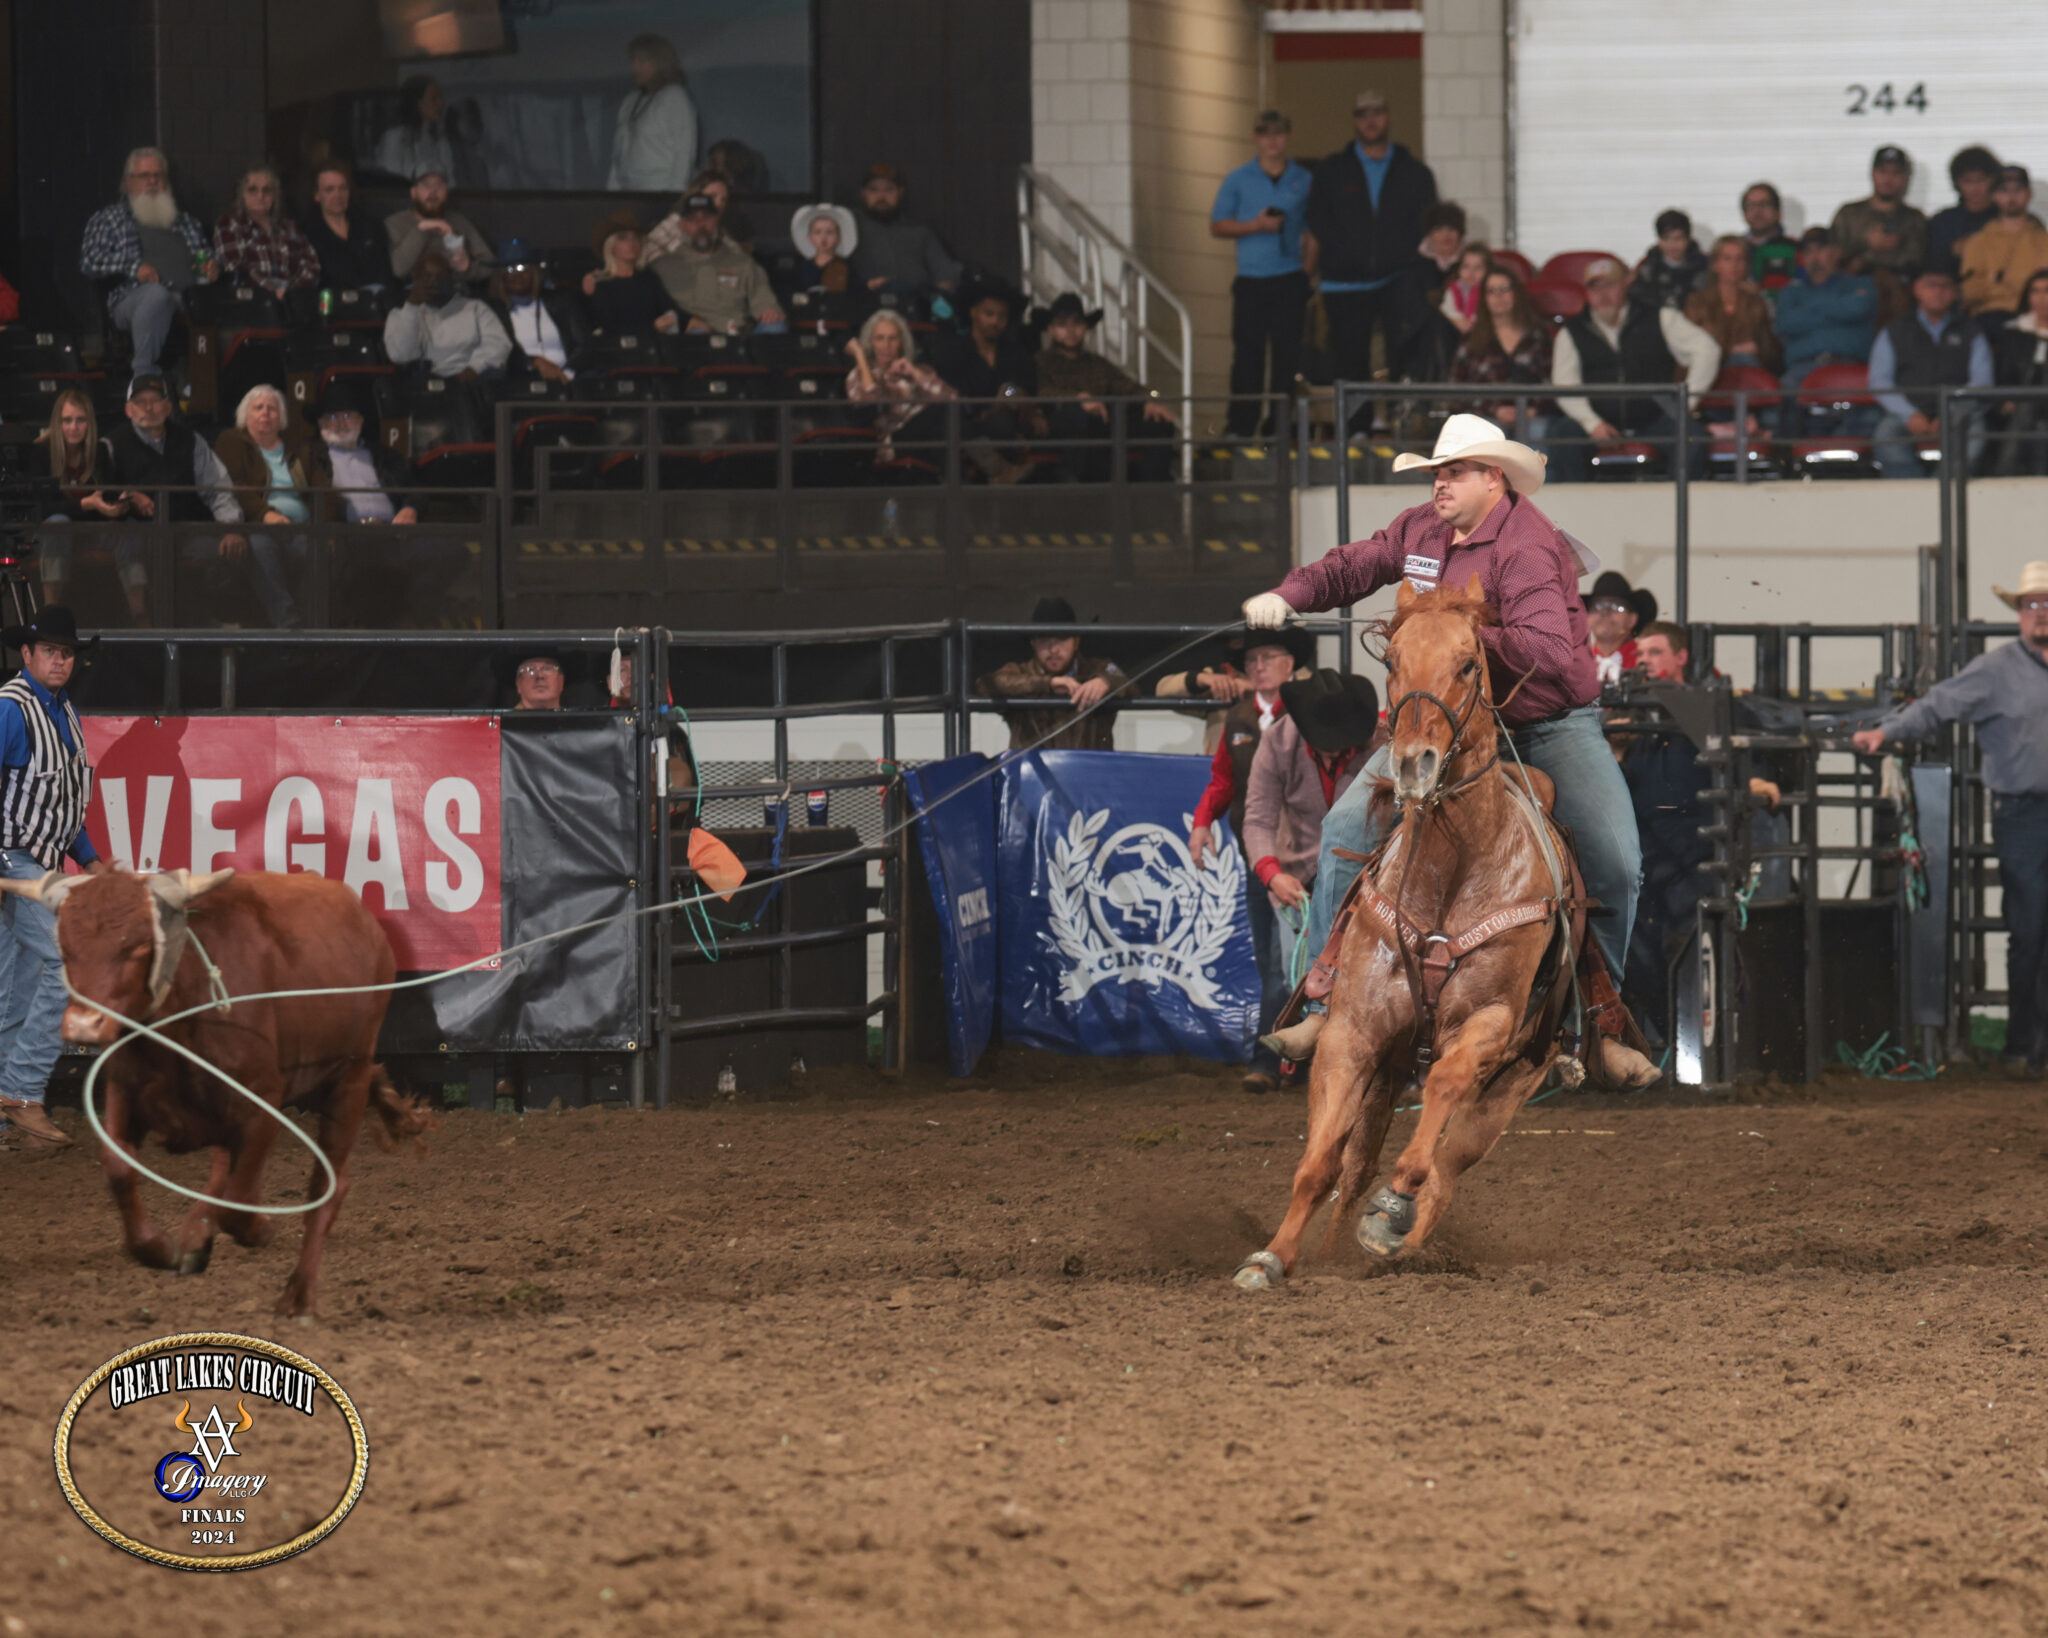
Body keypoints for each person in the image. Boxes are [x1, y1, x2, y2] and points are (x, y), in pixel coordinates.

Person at [1241, 413, 1647, 1083]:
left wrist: (1459, 634)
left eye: (1454, 472)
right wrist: (1290, 596)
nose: (1439, 484)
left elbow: (1547, 650)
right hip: (1445, 723)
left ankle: (1596, 1025)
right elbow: (1358, 565)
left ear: (1494, 477)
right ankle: (1326, 1001)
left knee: (1614, 859)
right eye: (1435, 472)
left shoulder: (1528, 545)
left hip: (1547, 722)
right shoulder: (1420, 530)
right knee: (1345, 826)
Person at [1853, 562, 2048, 1074]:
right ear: (2019, 614)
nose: (2040, 613)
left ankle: (2029, 1046)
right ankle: (2024, 1044)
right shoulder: (1997, 669)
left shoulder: (2005, 668)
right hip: (2024, 813)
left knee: (2032, 929)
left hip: (2026, 812)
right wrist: (1890, 731)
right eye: (2032, 604)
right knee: (2029, 929)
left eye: (2047, 604)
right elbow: (1940, 704)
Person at [1617, 620, 1780, 1048]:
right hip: (1648, 851)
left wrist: (1753, 782)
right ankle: (1674, 1040)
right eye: (1642, 655)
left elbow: (1747, 756)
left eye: (1656, 653)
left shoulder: (1706, 707)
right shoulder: (1633, 713)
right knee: (1639, 948)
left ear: (1680, 657)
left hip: (1699, 847)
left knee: (1699, 940)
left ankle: (1718, 1043)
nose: (1648, 663)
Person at [1228, 653, 1370, 1094]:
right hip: (1292, 873)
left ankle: (1341, 1062)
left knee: (1362, 972)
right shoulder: (1276, 743)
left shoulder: (1377, 743)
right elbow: (1257, 820)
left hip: (1358, 873)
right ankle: (1268, 1061)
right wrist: (1271, 874)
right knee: (1282, 972)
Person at [0, 607, 109, 1147]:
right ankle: (20, 1093)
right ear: (28, 655)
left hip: (39, 863)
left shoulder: (65, 713)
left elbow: (62, 806)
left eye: (67, 653)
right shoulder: (10, 710)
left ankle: (5, 1115)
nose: (60, 660)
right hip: (12, 863)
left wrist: (89, 860)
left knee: (14, 991)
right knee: (65, 964)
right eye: (50, 651)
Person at [1304, 87, 1439, 421]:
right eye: (1363, 115)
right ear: (1354, 121)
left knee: (1403, 355)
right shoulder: (1331, 172)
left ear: (1388, 116)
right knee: (1349, 362)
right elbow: (1317, 225)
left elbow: (1429, 227)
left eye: (1377, 113)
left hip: (1398, 280)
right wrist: (1310, 274)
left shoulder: (1415, 172)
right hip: (1343, 284)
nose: (1371, 121)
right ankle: (1356, 430)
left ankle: (1400, 425)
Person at [1549, 257, 1720, 481]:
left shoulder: (1660, 317)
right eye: (1595, 287)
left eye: (1610, 285)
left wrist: (1687, 401)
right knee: (1562, 436)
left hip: (1655, 415)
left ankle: (1676, 508)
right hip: (1599, 416)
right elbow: (1564, 384)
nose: (1603, 294)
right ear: (1587, 293)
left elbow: (1707, 350)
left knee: (1692, 437)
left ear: (1625, 285)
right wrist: (1592, 423)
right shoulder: (1571, 332)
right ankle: (1574, 513)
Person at [103, 371, 248, 624]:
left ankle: (227, 628)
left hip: (186, 532)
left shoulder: (191, 441)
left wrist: (231, 528)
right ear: (128, 410)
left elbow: (217, 488)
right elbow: (103, 494)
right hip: (137, 536)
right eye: (140, 402)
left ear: (168, 407)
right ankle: (145, 623)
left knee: (241, 549)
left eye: (156, 400)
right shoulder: (111, 444)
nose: (148, 408)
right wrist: (128, 497)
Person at [1211, 110, 1313, 437]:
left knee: (1287, 358)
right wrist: (1255, 225)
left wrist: (1307, 271)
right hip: (1252, 280)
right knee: (1247, 357)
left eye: (1278, 133)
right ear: (1255, 137)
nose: (1272, 140)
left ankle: (1279, 428)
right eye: (1265, 133)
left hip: (1290, 278)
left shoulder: (1303, 179)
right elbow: (1218, 224)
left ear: (1288, 136)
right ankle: (1241, 426)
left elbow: (1315, 230)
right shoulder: (1238, 179)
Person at [79, 146, 218, 376]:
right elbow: (89, 262)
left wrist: (212, 268)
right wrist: (133, 267)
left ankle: (213, 389)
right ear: (128, 182)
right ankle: (144, 379)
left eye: (158, 175)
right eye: (145, 176)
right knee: (157, 295)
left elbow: (206, 258)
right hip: (134, 298)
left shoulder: (186, 222)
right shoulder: (109, 218)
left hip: (189, 298)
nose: (152, 181)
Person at [1033, 291, 1178, 480]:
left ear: (1085, 327)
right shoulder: (1041, 361)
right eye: (1061, 324)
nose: (1070, 330)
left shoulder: (1097, 363)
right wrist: (1078, 399)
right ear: (1050, 329)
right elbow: (1038, 391)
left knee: (1158, 422)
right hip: (1066, 423)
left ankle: (1153, 491)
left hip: (1103, 423)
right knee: (1084, 420)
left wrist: (1149, 399)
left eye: (1076, 323)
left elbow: (1128, 386)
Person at [1868, 262, 1990, 478]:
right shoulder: (1895, 330)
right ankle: (1916, 498)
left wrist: (1950, 413)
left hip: (1959, 413)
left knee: (1974, 441)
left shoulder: (1972, 331)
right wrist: (1909, 414)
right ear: (1917, 290)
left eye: (1945, 286)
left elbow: (1981, 382)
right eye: (1931, 285)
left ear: (1955, 292)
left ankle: (1939, 493)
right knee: (1886, 437)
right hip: (1907, 411)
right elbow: (1880, 381)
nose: (1938, 292)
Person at [212, 385, 319, 629]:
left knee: (315, 548)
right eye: (258, 407)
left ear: (281, 417)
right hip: (257, 525)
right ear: (245, 415)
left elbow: (323, 489)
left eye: (272, 408)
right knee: (260, 546)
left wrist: (326, 524)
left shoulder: (298, 447)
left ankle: (311, 623)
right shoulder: (232, 441)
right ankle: (288, 621)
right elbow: (232, 486)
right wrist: (265, 514)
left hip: (301, 527)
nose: (266, 413)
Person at [383, 248, 512, 444]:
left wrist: (474, 368)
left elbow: (499, 344)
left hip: (470, 386)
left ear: (450, 277)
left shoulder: (475, 308)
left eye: (439, 276)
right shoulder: (401, 314)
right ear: (415, 278)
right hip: (425, 393)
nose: (433, 282)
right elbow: (401, 355)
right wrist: (412, 305)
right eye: (427, 276)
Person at [973, 596, 1125, 751]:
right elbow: (986, 683)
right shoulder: (1020, 672)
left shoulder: (1096, 669)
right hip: (1033, 774)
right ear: (1033, 643)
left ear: (1076, 642)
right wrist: (1047, 683)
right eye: (1044, 640)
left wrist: (1105, 682)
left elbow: (1125, 680)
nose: (1053, 649)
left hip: (1088, 773)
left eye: (1062, 638)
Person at [934, 279, 1040, 485]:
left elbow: (1015, 385)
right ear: (974, 313)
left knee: (1003, 422)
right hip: (968, 424)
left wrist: (1008, 394)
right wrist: (992, 407)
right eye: (989, 314)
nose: (995, 321)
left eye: (1002, 316)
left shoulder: (1013, 352)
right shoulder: (955, 351)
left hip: (1006, 421)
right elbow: (954, 394)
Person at [1775, 227, 1879, 427]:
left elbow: (1857, 308)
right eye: (1808, 251)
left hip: (1849, 367)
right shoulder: (1790, 292)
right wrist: (1838, 309)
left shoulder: (1861, 284)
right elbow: (1786, 322)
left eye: (1821, 249)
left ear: (1837, 252)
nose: (1814, 258)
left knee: (1872, 414)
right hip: (1802, 368)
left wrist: (1809, 308)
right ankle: (1786, 458)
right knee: (1782, 402)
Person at [35, 389, 124, 610]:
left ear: (89, 423)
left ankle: (141, 616)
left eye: (80, 420)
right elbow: (42, 508)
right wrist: (86, 504)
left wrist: (120, 505)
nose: (74, 427)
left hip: (92, 531)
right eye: (67, 420)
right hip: (52, 536)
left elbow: (110, 495)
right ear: (57, 423)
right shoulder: (41, 451)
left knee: (129, 530)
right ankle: (50, 611)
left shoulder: (100, 451)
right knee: (58, 523)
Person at [648, 192, 783, 335]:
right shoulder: (663, 266)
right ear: (682, 225)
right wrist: (684, 320)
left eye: (706, 217)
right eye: (693, 219)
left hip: (738, 335)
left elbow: (764, 299)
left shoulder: (741, 262)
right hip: (694, 337)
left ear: (717, 220)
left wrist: (769, 311)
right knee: (697, 335)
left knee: (776, 328)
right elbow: (653, 308)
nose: (701, 225)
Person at [1449, 266, 1553, 440]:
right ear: (1484, 299)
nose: (1499, 296)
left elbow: (1552, 382)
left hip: (1531, 415)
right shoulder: (1471, 340)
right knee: (1492, 434)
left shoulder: (1538, 336)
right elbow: (1457, 390)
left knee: (1537, 431)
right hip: (1486, 416)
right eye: (1491, 291)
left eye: (1504, 289)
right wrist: (1494, 410)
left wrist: (1532, 409)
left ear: (1516, 294)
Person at [844, 308, 956, 462]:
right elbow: (870, 405)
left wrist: (915, 373)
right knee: (943, 417)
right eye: (880, 338)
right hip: (893, 443)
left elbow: (954, 400)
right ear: (871, 342)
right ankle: (993, 470)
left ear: (901, 342)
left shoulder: (918, 371)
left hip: (929, 438)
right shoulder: (859, 374)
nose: (886, 345)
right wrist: (860, 355)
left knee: (949, 419)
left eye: (893, 338)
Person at [847, 163, 961, 297]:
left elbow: (945, 273)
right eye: (873, 190)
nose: (881, 196)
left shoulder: (919, 231)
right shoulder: (848, 226)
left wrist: (936, 298)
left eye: (889, 190)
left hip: (913, 307)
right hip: (862, 306)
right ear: (863, 193)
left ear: (900, 193)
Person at [211, 164, 319, 301]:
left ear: (275, 196)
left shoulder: (289, 227)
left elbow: (311, 265)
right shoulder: (228, 224)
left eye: (267, 190)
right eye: (253, 190)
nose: (260, 196)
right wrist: (272, 290)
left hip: (291, 302)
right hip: (249, 303)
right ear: (242, 195)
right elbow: (235, 267)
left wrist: (289, 290)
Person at [607, 33, 698, 193]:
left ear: (660, 64)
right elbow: (618, 156)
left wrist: (674, 196)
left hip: (659, 191)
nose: (635, 67)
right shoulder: (630, 101)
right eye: (633, 61)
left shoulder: (674, 96)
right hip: (628, 191)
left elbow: (684, 151)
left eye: (642, 61)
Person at [1957, 166, 2048, 318]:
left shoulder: (2043, 241)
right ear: (1994, 196)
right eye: (2004, 190)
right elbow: (1970, 292)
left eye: (2017, 190)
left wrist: (1998, 282)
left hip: (2036, 319)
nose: (2011, 197)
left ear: (2029, 194)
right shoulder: (1978, 242)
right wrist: (2021, 285)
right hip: (1991, 317)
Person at [1685, 234, 1783, 373]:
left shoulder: (1755, 302)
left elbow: (1769, 350)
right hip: (1708, 371)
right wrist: (1733, 350)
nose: (1734, 265)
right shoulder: (1697, 301)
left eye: (1740, 259)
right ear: (1715, 264)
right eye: (1727, 259)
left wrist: (1758, 349)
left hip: (1747, 369)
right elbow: (1693, 346)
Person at [494, 238, 588, 383]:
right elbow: (498, 353)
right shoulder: (494, 312)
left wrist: (567, 374)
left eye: (522, 267)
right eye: (510, 269)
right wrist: (534, 362)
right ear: (501, 277)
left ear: (534, 271)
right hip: (522, 383)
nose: (517, 275)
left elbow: (584, 344)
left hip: (570, 379)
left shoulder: (561, 301)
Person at [385, 166, 495, 287]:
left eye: (439, 185)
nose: (433, 192)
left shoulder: (459, 221)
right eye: (425, 185)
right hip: (409, 298)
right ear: (413, 192)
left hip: (457, 298)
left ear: (446, 191)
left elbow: (489, 265)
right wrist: (421, 229)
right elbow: (395, 270)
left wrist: (466, 267)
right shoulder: (394, 223)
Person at [1832, 145, 1929, 277]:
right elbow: (1832, 256)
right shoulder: (1849, 214)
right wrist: (1866, 242)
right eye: (1882, 171)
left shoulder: (1914, 218)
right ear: (1873, 173)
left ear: (1906, 178)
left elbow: (1918, 260)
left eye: (1896, 173)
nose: (1888, 178)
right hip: (1853, 289)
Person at [578, 213, 678, 336]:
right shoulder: (600, 283)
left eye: (636, 238)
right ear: (611, 245)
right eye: (623, 238)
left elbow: (668, 311)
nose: (631, 243)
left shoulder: (649, 278)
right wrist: (652, 328)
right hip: (618, 352)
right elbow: (606, 329)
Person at [303, 161, 391, 293]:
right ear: (317, 195)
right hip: (334, 307)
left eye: (343, 188)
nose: (338, 195)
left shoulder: (371, 226)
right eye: (329, 189)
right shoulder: (307, 234)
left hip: (377, 304)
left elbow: (386, 274)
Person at [1991, 269, 2048, 475]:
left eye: (2047, 291)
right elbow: (2002, 377)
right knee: (2029, 416)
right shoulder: (2014, 334)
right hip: (2019, 411)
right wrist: (2004, 401)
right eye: (2035, 291)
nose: (2041, 299)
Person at [1927, 146, 2004, 268]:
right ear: (1957, 183)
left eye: (1980, 180)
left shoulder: (2007, 218)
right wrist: (1952, 252)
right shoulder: (1943, 221)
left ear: (1993, 180)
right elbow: (1929, 263)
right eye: (1968, 181)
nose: (1975, 188)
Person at [373, 76, 456, 186]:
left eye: (440, 98)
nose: (441, 103)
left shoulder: (441, 143)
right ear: (417, 103)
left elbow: (450, 183)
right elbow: (391, 184)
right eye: (434, 98)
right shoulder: (395, 139)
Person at [1584, 569, 1655, 685]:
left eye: (1617, 607)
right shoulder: (1575, 664)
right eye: (1597, 607)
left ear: (1632, 619)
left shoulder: (1647, 662)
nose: (1605, 613)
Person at [1634, 209, 1708, 313]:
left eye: (1678, 238)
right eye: (1666, 238)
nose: (1672, 245)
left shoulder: (1703, 266)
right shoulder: (1648, 269)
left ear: (1688, 238)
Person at [1739, 182, 1798, 288]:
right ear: (1744, 214)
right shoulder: (1735, 248)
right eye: (1750, 206)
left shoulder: (1794, 249)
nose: (1757, 211)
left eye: (1764, 204)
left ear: (1778, 212)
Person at [790, 203, 856, 294]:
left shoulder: (846, 266)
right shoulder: (803, 267)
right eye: (818, 232)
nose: (823, 238)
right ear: (810, 237)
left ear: (838, 237)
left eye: (829, 232)